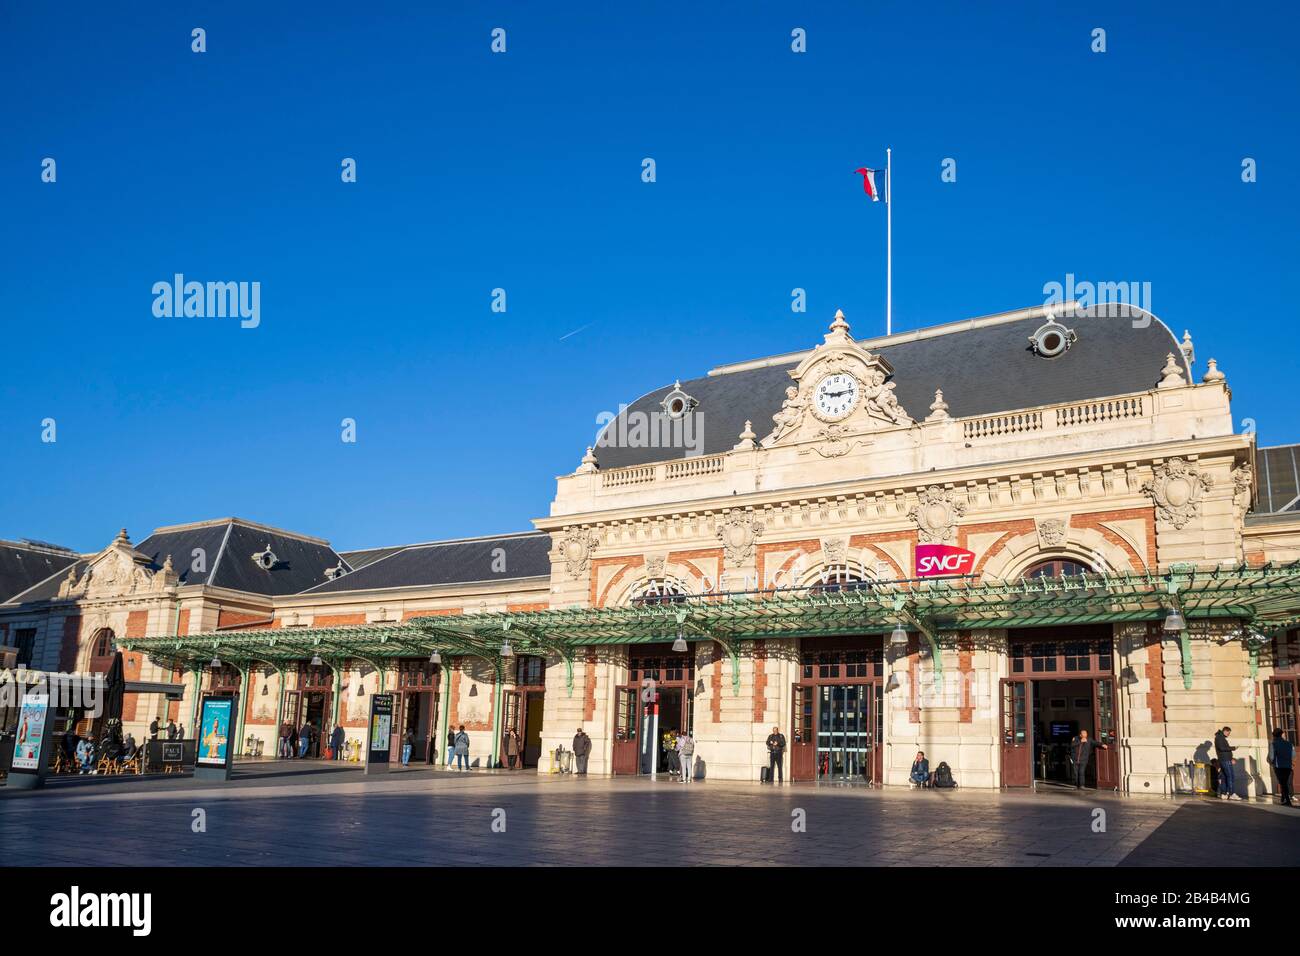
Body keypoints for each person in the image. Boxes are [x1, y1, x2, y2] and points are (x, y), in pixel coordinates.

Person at [1267, 727, 1293, 806]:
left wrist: (1271, 762)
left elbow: (1271, 757)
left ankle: (1287, 800)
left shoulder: (1273, 744)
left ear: (1274, 735)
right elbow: (1293, 755)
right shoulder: (1289, 744)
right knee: (1284, 782)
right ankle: (1283, 798)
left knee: (1283, 783)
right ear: (1281, 734)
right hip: (1288, 765)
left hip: (1279, 766)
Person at [1215, 726, 1239, 800]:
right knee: (1230, 776)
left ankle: (1224, 793)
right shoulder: (1220, 738)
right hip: (1225, 760)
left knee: (1224, 777)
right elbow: (1222, 748)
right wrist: (1233, 748)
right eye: (1228, 732)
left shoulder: (1220, 738)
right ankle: (1231, 793)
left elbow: (1223, 748)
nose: (1229, 734)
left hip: (1225, 759)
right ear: (1225, 731)